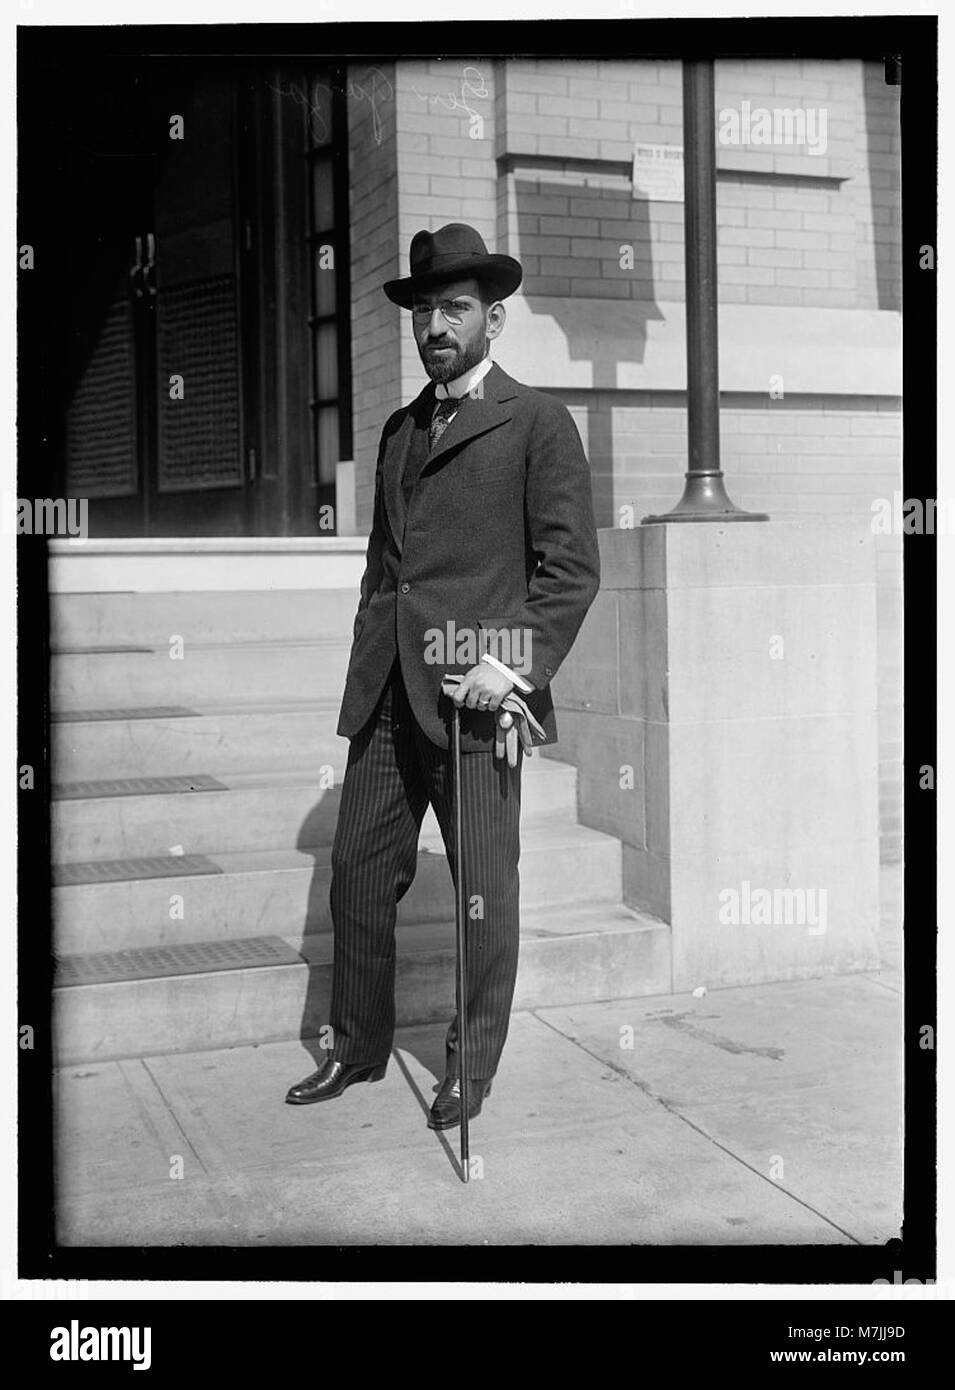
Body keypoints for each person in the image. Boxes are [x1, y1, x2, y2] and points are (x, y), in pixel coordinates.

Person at [286, 223, 600, 1129]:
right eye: (424, 309)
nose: (435, 325)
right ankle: (357, 1047)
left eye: (454, 308)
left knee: (480, 891)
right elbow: (387, 571)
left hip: (473, 698)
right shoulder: (397, 430)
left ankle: (472, 1065)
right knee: (355, 873)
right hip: (389, 694)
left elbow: (569, 571)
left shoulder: (538, 423)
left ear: (492, 319)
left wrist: (512, 672)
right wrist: (363, 669)